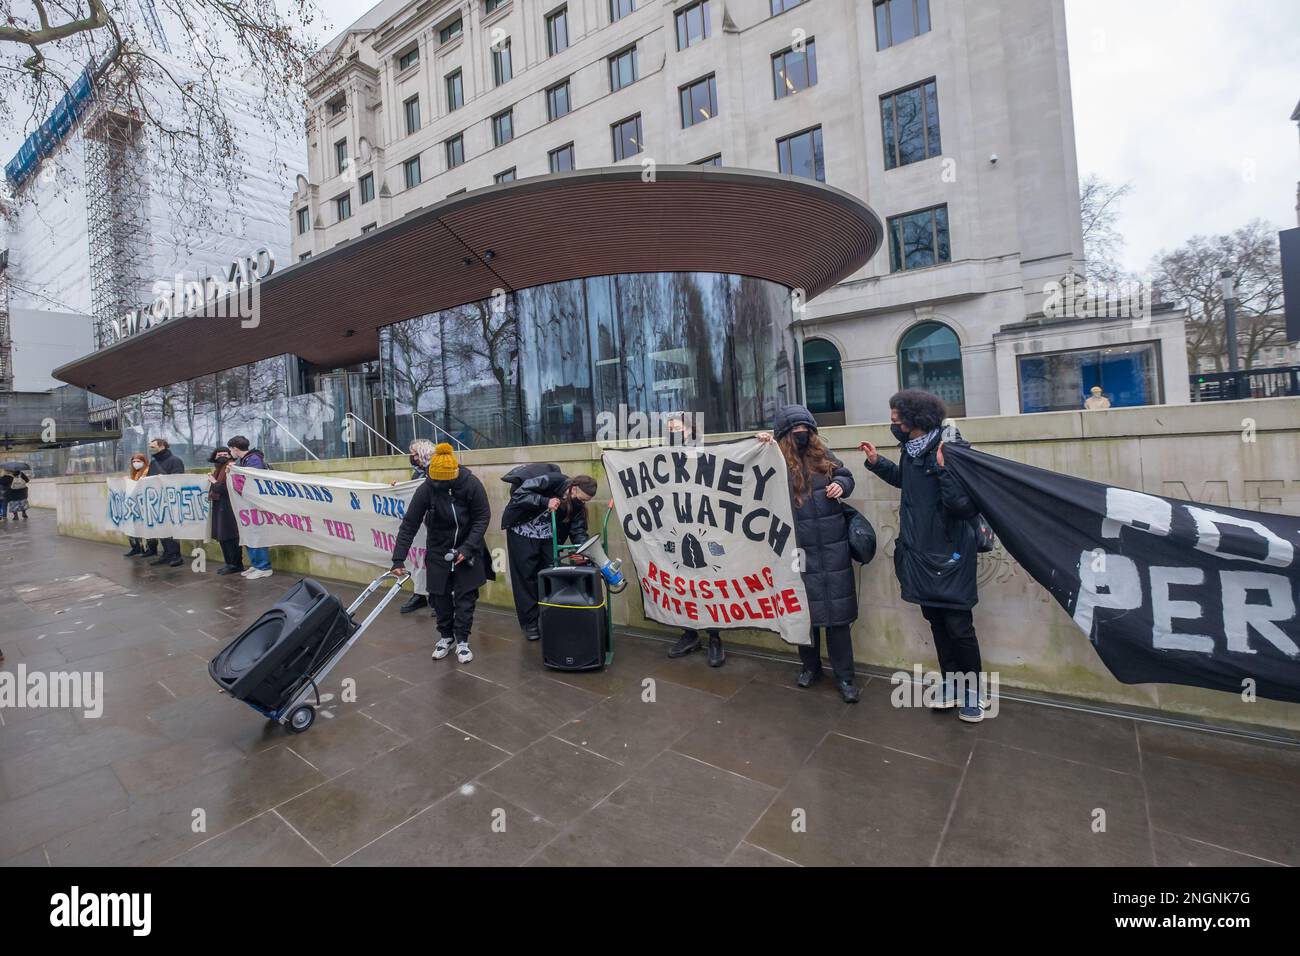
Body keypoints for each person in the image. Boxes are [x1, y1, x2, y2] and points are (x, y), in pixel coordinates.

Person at [859, 388, 987, 722]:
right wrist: (877, 463)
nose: (893, 424)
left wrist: (944, 470)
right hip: (919, 551)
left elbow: (963, 505)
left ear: (915, 419)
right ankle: (951, 683)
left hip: (952, 553)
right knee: (936, 621)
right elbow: (908, 482)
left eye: (896, 418)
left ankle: (974, 690)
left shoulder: (950, 449)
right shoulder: (912, 451)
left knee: (959, 625)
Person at [757, 405, 860, 703]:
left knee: (838, 621)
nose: (801, 435)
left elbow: (846, 476)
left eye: (805, 430)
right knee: (805, 616)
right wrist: (762, 443)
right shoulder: (775, 459)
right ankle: (810, 668)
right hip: (797, 551)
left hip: (833, 550)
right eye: (795, 431)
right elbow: (754, 478)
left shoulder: (824, 457)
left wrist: (841, 484)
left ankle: (845, 677)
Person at [389, 443, 494, 664]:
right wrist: (398, 558)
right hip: (438, 548)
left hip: (468, 549)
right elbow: (409, 524)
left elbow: (482, 517)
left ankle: (463, 640)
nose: (437, 483)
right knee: (439, 597)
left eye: (441, 480)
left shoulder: (471, 484)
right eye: (434, 479)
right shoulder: (427, 488)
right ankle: (446, 637)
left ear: (453, 475)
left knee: (466, 598)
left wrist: (467, 548)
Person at [499, 464, 597, 641]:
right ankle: (529, 623)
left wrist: (584, 551)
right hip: (522, 531)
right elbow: (520, 494)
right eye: (581, 498)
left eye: (585, 501)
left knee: (549, 575)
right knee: (525, 577)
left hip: (547, 536)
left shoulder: (577, 504)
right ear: (573, 488)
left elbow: (578, 530)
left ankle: (548, 618)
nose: (581, 503)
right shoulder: (553, 480)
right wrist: (545, 501)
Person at [662, 413, 725, 667]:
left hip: (704, 524)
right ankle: (689, 634)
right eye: (670, 429)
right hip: (675, 525)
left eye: (677, 428)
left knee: (708, 579)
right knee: (683, 581)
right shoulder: (665, 455)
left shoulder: (705, 452)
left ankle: (714, 638)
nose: (673, 432)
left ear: (690, 429)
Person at [394, 439, 437, 614]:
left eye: (414, 454)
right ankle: (420, 594)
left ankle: (438, 598)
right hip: (421, 523)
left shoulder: (436, 472)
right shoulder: (417, 474)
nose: (411, 458)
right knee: (418, 559)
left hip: (435, 525)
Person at [226, 436, 273, 579]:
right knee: (249, 534)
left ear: (234, 448)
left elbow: (253, 481)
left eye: (230, 449)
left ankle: (264, 566)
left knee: (256, 535)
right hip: (247, 505)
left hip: (254, 505)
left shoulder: (253, 460)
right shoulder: (245, 460)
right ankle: (257, 564)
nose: (230, 452)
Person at [144, 438, 185, 566]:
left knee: (171, 529)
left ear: (162, 446)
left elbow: (177, 479)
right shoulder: (154, 462)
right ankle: (167, 553)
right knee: (161, 529)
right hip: (156, 500)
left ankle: (176, 555)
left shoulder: (175, 461)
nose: (151, 448)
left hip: (170, 500)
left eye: (153, 446)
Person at [206, 448, 243, 575]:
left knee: (231, 537)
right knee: (222, 537)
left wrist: (214, 482)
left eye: (225, 454)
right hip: (219, 506)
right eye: (219, 454)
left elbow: (227, 488)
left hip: (228, 506)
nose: (222, 456)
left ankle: (235, 564)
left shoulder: (231, 468)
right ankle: (229, 563)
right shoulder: (217, 469)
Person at [122, 453, 156, 557]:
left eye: (138, 461)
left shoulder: (147, 471)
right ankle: (137, 547)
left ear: (144, 462)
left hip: (145, 503)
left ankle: (151, 549)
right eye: (134, 461)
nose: (135, 464)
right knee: (134, 527)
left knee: (148, 527)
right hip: (135, 503)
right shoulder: (134, 474)